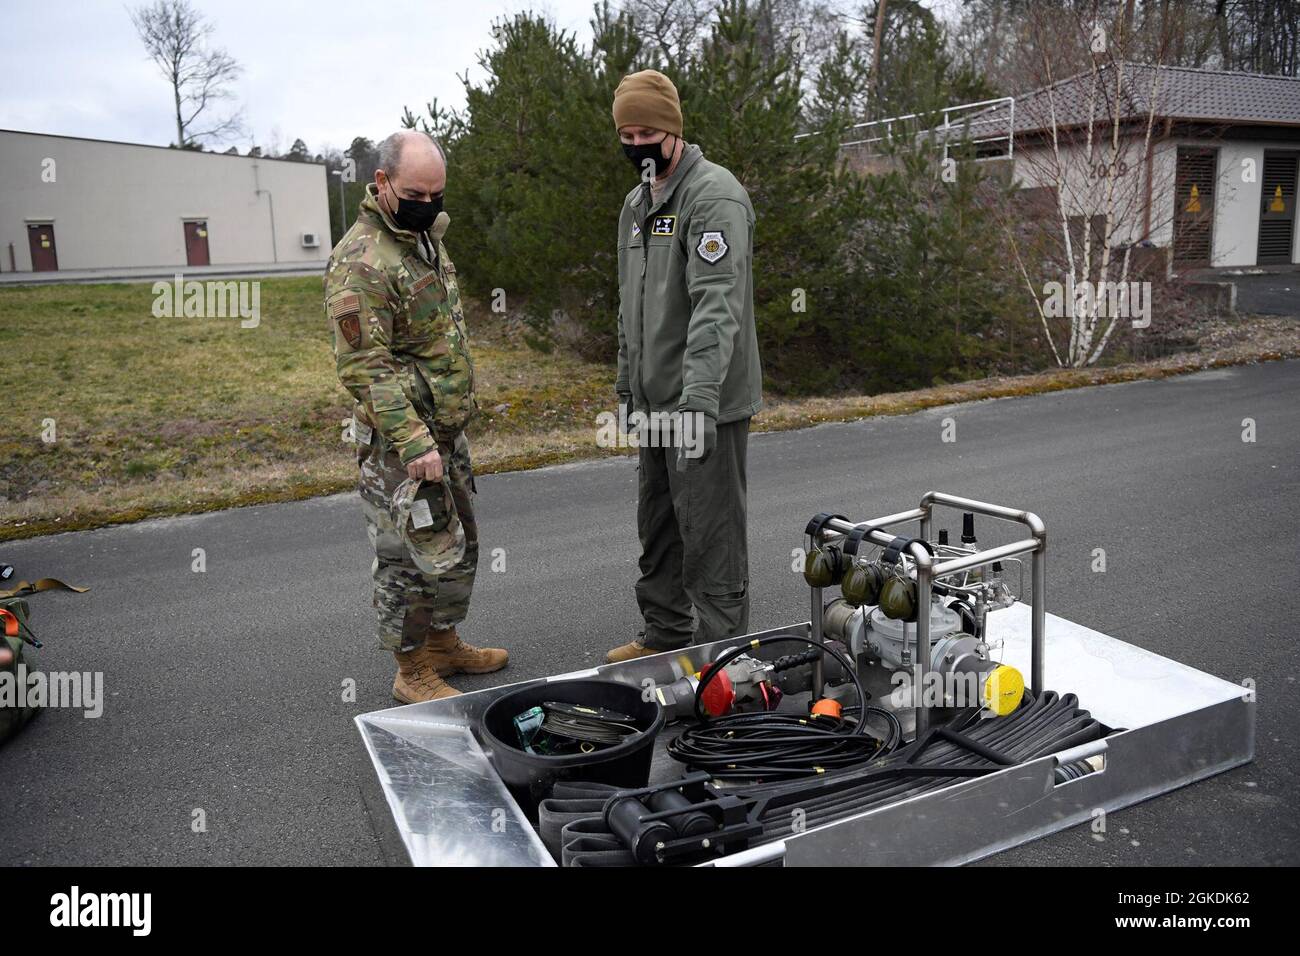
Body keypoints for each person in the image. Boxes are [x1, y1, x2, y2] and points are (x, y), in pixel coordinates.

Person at [324, 130, 507, 702]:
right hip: (401, 443)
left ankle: (443, 644)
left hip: (443, 431)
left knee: (454, 542)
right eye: (415, 192)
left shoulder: (422, 238)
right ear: (381, 183)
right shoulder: (361, 261)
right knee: (407, 553)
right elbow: (364, 365)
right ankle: (411, 670)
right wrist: (413, 441)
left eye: (437, 194)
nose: (428, 203)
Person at [606, 70, 764, 663]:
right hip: (653, 402)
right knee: (660, 526)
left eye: (647, 131)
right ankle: (666, 635)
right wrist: (628, 389)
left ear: (673, 130)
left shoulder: (712, 195)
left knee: (711, 536)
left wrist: (696, 404)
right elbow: (630, 306)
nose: (636, 145)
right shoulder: (636, 204)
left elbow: (715, 307)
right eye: (626, 133)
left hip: (705, 404)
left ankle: (724, 660)